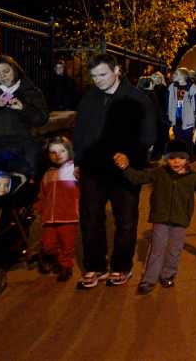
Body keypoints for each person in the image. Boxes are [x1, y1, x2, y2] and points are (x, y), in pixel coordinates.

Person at [73, 53, 157, 289]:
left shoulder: (138, 99)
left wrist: (131, 156)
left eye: (102, 74)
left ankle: (121, 267)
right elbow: (79, 133)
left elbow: (148, 135)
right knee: (90, 218)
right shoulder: (89, 99)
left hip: (124, 169)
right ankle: (94, 266)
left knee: (126, 220)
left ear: (117, 71)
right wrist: (78, 161)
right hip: (93, 168)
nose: (98, 80)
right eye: (93, 76)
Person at [113, 140, 196, 295]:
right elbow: (139, 177)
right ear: (167, 159)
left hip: (181, 220)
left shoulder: (192, 177)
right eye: (172, 158)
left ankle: (168, 275)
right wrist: (126, 168)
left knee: (174, 250)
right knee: (157, 249)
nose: (176, 161)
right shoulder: (160, 173)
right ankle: (149, 280)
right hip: (161, 218)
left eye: (180, 158)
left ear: (187, 159)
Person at [35, 136, 79, 282]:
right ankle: (53, 258)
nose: (57, 155)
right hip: (49, 218)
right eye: (53, 152)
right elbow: (42, 195)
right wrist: (40, 209)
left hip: (69, 216)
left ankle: (66, 267)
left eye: (62, 151)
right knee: (48, 244)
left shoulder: (74, 171)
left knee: (67, 244)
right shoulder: (48, 174)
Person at [167, 68, 196, 156]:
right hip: (176, 119)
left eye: (176, 74)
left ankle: (187, 157)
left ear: (182, 76)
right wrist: (168, 114)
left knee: (187, 140)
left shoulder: (193, 88)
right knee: (177, 140)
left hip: (188, 120)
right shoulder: (172, 87)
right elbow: (167, 101)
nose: (173, 75)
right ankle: (180, 157)